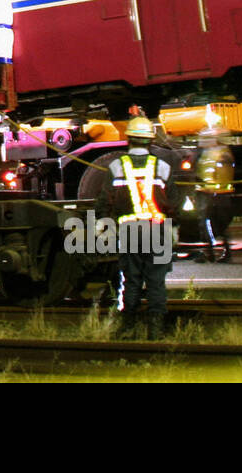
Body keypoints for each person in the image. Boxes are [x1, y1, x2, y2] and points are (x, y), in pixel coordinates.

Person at [97, 116, 175, 339]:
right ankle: (156, 330)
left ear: (128, 139)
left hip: (129, 231)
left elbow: (105, 200)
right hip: (159, 232)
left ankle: (128, 327)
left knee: (131, 280)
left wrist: (103, 224)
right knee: (156, 281)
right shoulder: (163, 167)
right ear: (150, 140)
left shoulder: (115, 166)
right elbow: (173, 203)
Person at [195, 127, 235, 262]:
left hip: (215, 195)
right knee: (210, 224)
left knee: (211, 223)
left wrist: (211, 190)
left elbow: (223, 176)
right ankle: (210, 251)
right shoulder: (210, 153)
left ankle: (214, 252)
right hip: (210, 193)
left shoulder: (222, 154)